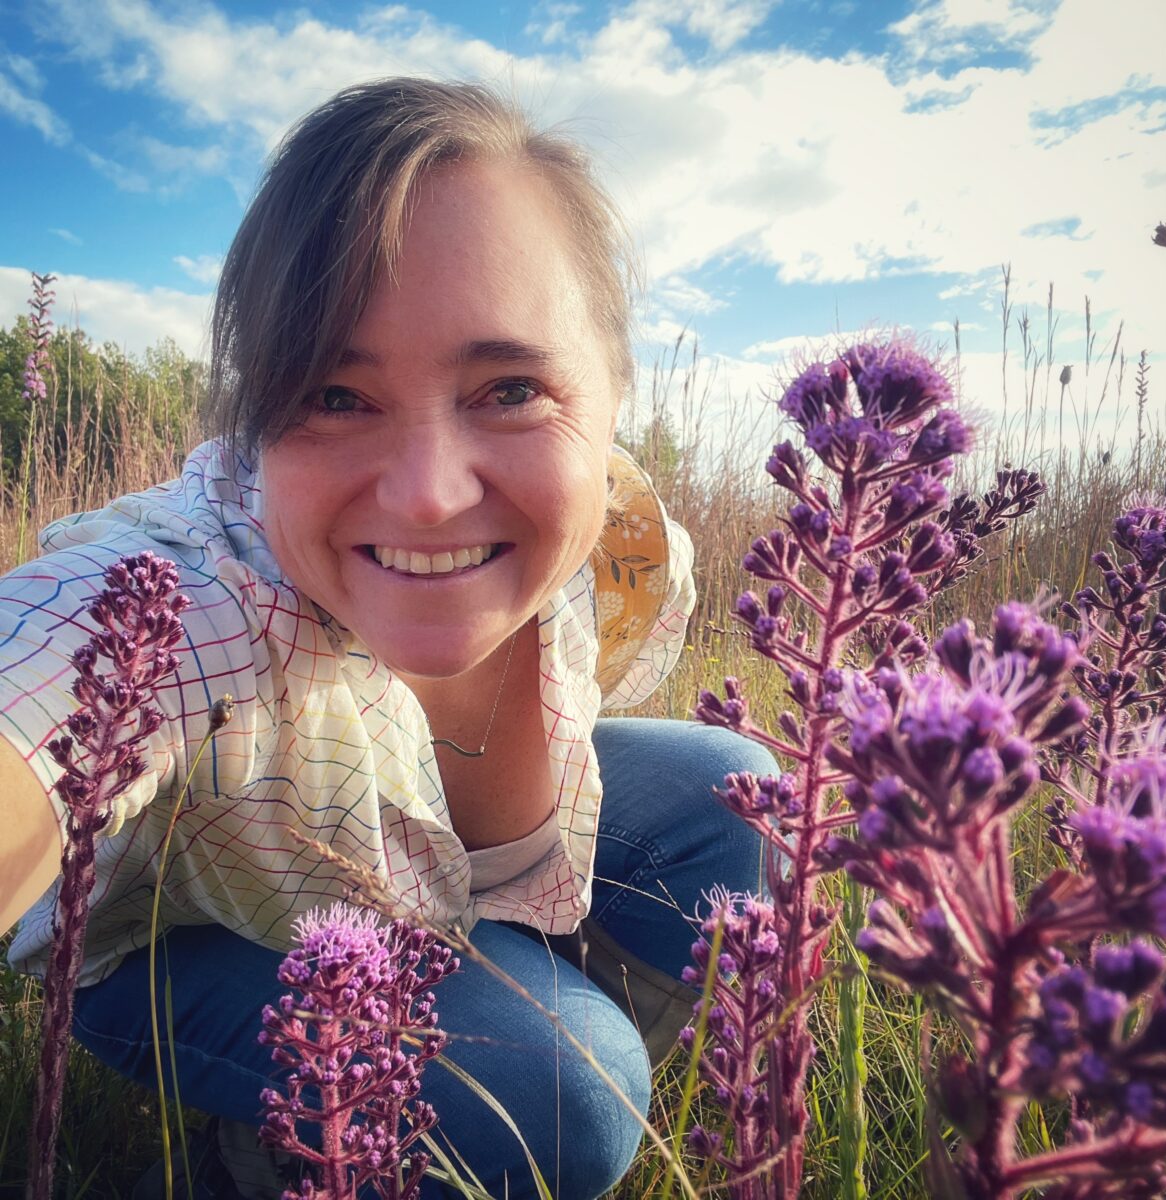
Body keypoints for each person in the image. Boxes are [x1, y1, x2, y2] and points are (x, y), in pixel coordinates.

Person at [0, 78, 772, 1199]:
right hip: (186, 943)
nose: (427, 496)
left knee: (741, 800)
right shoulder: (190, 599)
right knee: (567, 1088)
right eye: (334, 396)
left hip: (422, 892)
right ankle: (294, 1140)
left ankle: (484, 1115)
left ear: (614, 395)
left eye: (510, 387)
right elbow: (35, 682)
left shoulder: (628, 554)